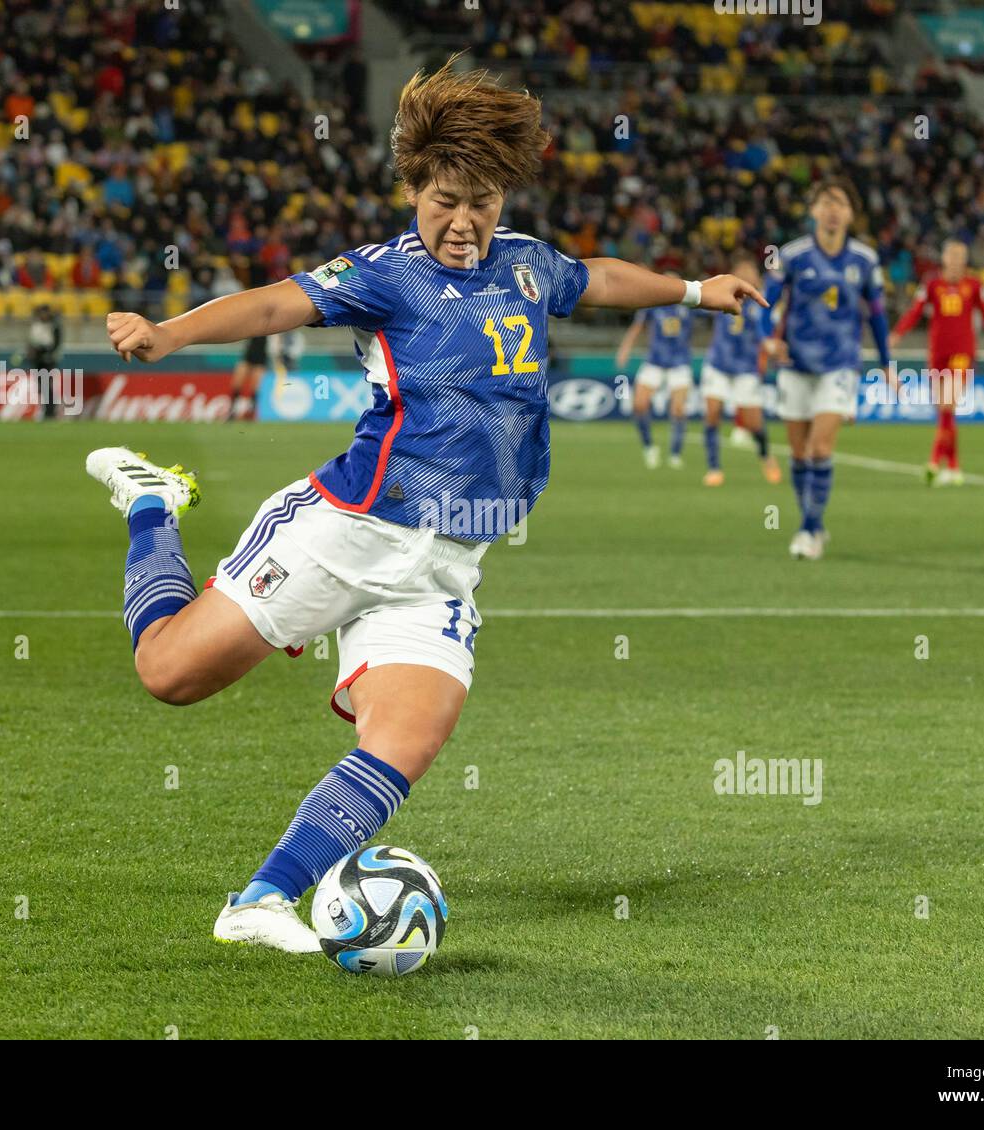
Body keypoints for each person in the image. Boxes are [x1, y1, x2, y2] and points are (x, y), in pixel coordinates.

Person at [85, 57, 765, 954]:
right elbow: (271, 309)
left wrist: (692, 291)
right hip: (346, 531)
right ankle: (152, 505)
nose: (464, 220)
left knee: (409, 736)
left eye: (481, 200)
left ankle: (259, 902)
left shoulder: (526, 266)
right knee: (169, 675)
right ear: (417, 189)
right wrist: (168, 333)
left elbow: (595, 277)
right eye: (447, 197)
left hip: (447, 565)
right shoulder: (382, 276)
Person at [761, 177, 890, 561]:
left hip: (840, 364)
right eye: (826, 203)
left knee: (820, 448)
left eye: (841, 203)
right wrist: (768, 338)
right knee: (799, 455)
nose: (833, 210)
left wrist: (887, 364)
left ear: (851, 214)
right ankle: (813, 523)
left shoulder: (865, 261)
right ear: (814, 210)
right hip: (795, 364)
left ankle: (809, 529)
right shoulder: (791, 256)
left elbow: (879, 315)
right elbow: (762, 305)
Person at [889, 238, 984, 486]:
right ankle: (954, 468)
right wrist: (897, 334)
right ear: (944, 259)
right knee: (944, 412)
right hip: (937, 354)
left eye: (961, 258)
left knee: (948, 404)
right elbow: (915, 311)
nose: (956, 262)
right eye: (952, 257)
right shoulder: (932, 284)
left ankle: (934, 462)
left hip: (962, 354)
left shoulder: (974, 286)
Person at [698, 255, 781, 486]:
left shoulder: (759, 307)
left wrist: (772, 349)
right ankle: (714, 468)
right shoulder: (720, 298)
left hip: (745, 368)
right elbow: (699, 303)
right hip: (718, 364)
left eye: (749, 274)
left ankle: (766, 457)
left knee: (754, 423)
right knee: (712, 414)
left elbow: (765, 336)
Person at [615, 270, 694, 469]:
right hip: (654, 360)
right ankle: (649, 447)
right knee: (639, 405)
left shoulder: (689, 304)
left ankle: (675, 453)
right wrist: (625, 349)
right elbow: (637, 328)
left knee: (678, 410)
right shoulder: (652, 304)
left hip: (679, 362)